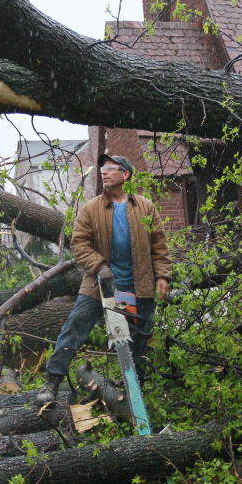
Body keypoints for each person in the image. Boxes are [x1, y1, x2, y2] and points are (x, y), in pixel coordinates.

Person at [36, 154, 172, 403]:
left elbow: (159, 246)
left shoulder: (145, 207)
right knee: (75, 326)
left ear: (126, 175)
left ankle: (136, 390)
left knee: (140, 339)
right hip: (98, 286)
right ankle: (52, 381)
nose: (104, 172)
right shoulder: (91, 209)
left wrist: (162, 275)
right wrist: (99, 267)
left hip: (139, 286)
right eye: (103, 169)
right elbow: (79, 244)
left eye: (111, 168)